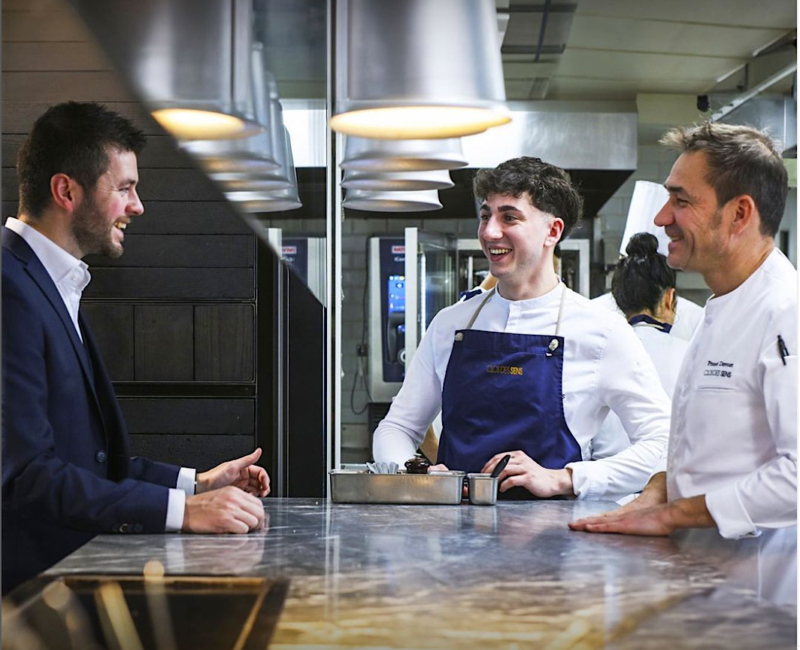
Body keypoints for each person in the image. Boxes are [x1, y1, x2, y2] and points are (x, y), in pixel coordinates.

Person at [2, 102, 270, 594]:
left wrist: (198, 484)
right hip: (23, 601)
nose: (138, 205)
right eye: (124, 188)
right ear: (66, 191)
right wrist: (183, 511)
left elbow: (87, 462)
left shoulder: (46, 282)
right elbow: (25, 476)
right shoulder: (7, 287)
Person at [373, 157, 671, 501]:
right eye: (485, 215)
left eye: (509, 217)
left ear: (552, 231)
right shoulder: (451, 324)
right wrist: (416, 474)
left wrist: (567, 478)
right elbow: (396, 427)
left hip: (554, 529)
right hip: (453, 525)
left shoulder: (602, 332)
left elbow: (663, 443)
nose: (489, 232)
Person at [571, 122, 796, 538]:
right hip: (700, 566)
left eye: (681, 200)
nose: (662, 218)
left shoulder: (786, 312)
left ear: (739, 214)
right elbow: (712, 451)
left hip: (756, 572)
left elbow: (796, 479)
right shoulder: (722, 306)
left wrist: (673, 515)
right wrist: (662, 487)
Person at [592, 233, 689, 465]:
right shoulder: (689, 354)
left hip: (602, 477)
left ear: (619, 302)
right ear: (669, 299)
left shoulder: (598, 352)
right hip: (667, 477)